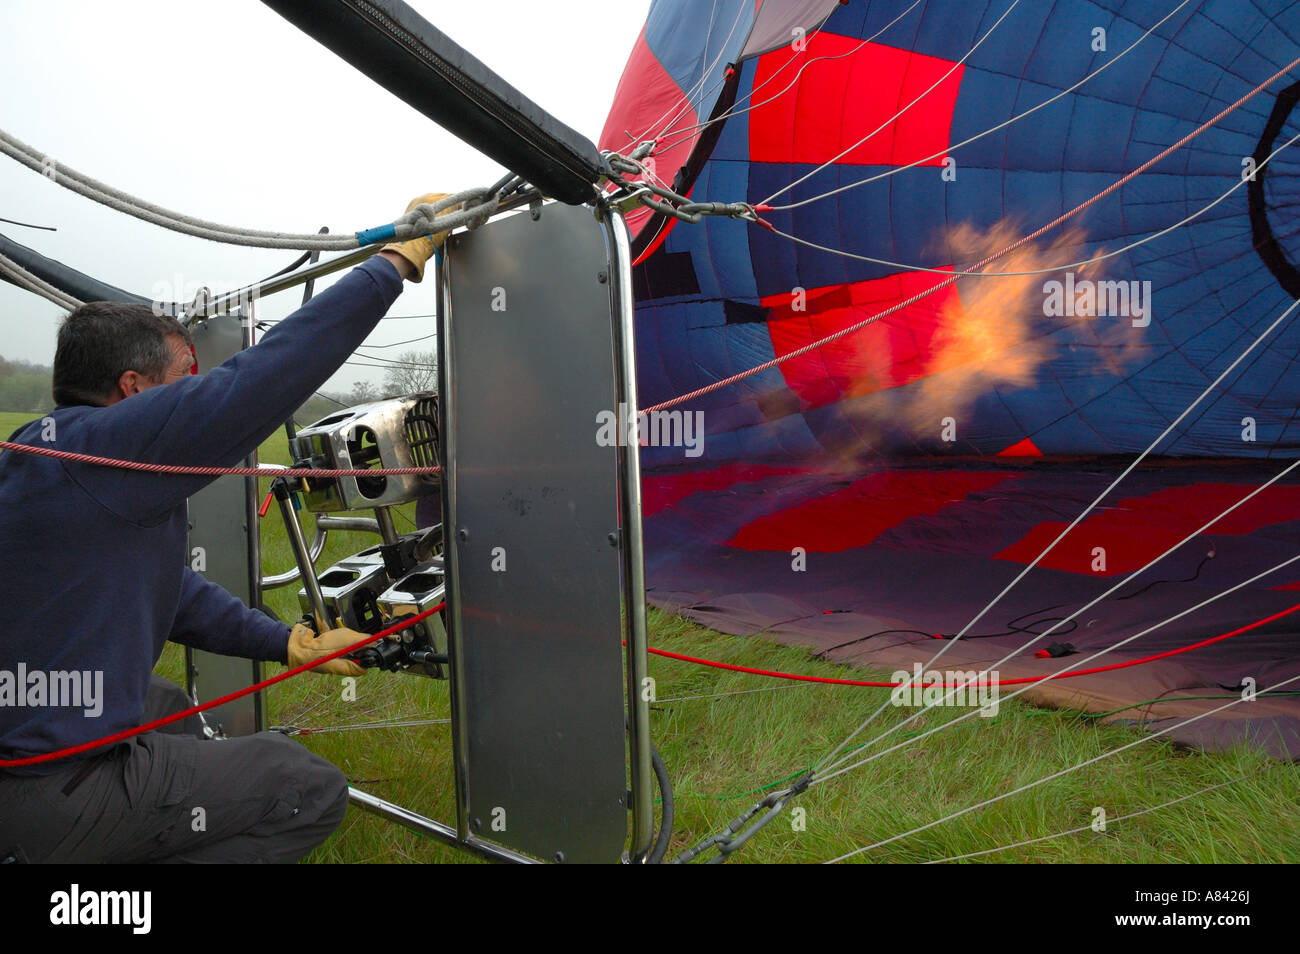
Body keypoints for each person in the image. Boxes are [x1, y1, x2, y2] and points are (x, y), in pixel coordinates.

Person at [0, 193, 452, 863]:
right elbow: (258, 381)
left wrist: (288, 642)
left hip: (23, 765)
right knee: (308, 788)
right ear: (132, 389)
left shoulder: (44, 454)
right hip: (47, 790)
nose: (196, 389)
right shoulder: (109, 450)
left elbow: (169, 592)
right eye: (184, 380)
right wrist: (391, 264)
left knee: (166, 705)